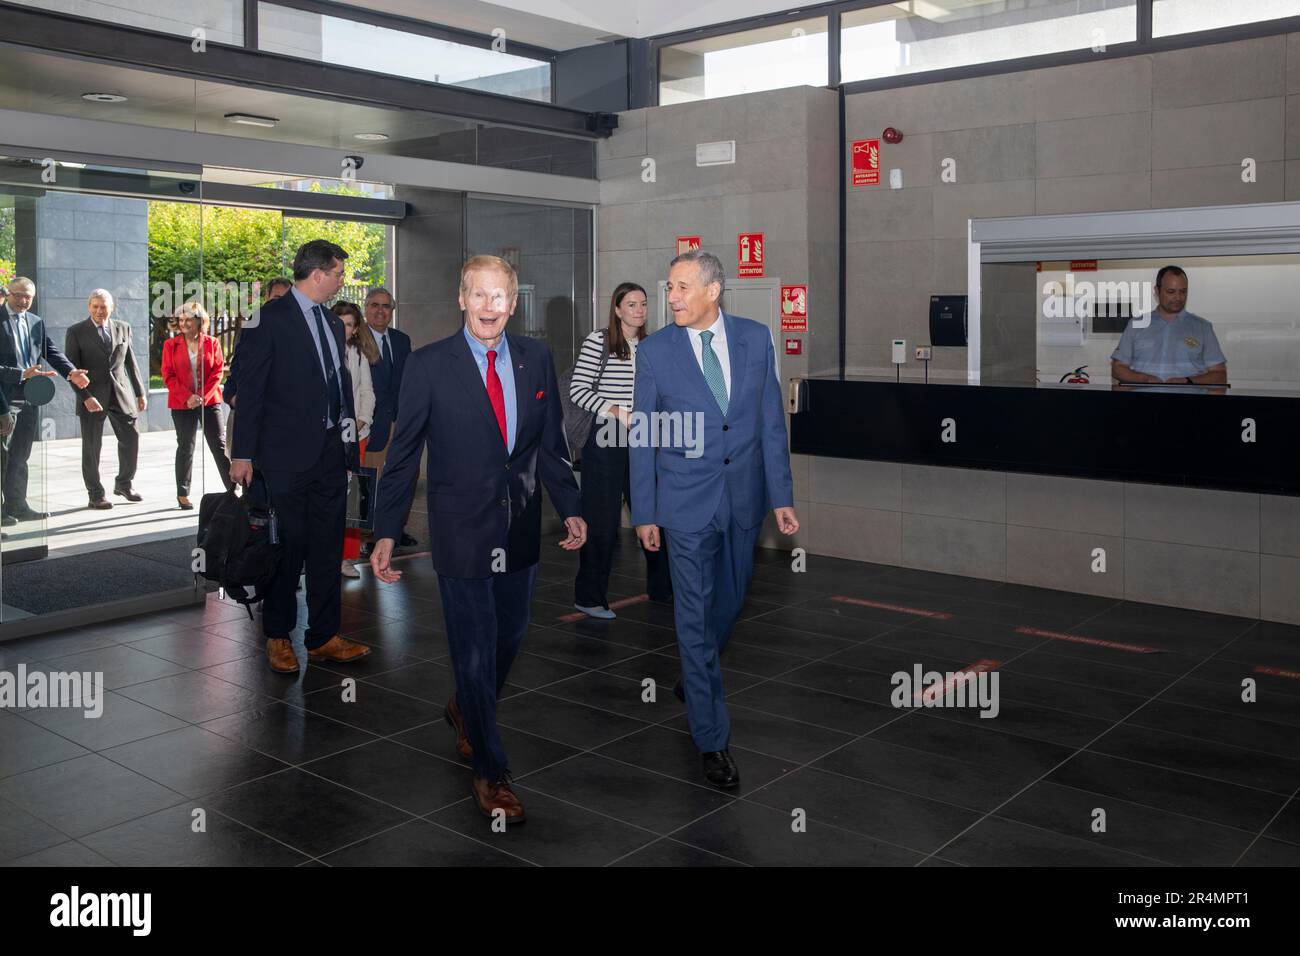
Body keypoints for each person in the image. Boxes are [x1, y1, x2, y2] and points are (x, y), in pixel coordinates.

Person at [370, 254, 586, 824]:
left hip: (519, 526)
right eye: (479, 296)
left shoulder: (536, 358)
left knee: (510, 635)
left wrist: (571, 507)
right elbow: (403, 456)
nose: (490, 307)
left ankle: (468, 704)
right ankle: (491, 773)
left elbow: (550, 443)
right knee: (473, 642)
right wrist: (386, 531)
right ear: (461, 299)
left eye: (500, 298)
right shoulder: (428, 365)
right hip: (460, 529)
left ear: (514, 305)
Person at [630, 250, 799, 791]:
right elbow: (641, 436)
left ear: (712, 291)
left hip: (745, 500)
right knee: (695, 616)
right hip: (684, 505)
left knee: (728, 605)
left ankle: (693, 671)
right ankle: (712, 738)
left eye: (681, 287)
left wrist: (781, 496)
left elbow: (771, 421)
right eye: (670, 288)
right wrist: (645, 510)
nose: (671, 297)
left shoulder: (755, 339)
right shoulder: (655, 351)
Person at [229, 240, 369, 674]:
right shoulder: (265, 319)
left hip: (329, 453)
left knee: (327, 548)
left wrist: (346, 441)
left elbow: (339, 381)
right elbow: (249, 390)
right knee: (285, 550)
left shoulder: (330, 321)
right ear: (318, 274)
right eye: (339, 272)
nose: (343, 280)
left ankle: (323, 635)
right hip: (284, 458)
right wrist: (243, 453)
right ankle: (278, 636)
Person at [570, 282, 672, 618]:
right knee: (602, 521)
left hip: (643, 437)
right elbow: (578, 391)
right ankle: (589, 596)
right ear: (617, 309)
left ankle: (663, 589)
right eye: (631, 304)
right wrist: (619, 413)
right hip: (607, 436)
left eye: (643, 304)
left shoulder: (652, 345)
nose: (640, 310)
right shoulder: (598, 341)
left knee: (653, 512)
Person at [0, 277, 90, 525]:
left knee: (21, 455)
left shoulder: (35, 322)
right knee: (2, 456)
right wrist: (20, 373)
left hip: (30, 397)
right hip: (4, 399)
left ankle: (17, 505)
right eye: (18, 295)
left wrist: (71, 373)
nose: (23, 300)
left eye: (28, 296)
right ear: (8, 293)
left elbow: (51, 352)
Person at [64, 289, 147, 509]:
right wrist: (85, 397)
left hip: (121, 393)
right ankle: (95, 494)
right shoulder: (76, 332)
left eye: (103, 306)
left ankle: (124, 483)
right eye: (95, 306)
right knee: (92, 446)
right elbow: (72, 371)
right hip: (92, 396)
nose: (100, 311)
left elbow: (131, 362)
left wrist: (140, 392)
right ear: (89, 307)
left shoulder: (123, 327)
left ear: (112, 307)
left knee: (131, 438)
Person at [359, 287, 416, 557]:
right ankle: (369, 533)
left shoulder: (402, 340)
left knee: (403, 476)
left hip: (402, 421)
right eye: (374, 305)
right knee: (371, 478)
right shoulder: (356, 340)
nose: (380, 310)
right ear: (365, 308)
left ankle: (395, 529)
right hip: (372, 423)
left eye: (385, 306)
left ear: (392, 311)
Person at [162, 302, 233, 509]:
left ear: (199, 321)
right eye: (181, 320)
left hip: (209, 401)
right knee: (186, 446)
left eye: (188, 319)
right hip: (181, 403)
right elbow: (168, 375)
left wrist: (201, 396)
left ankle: (232, 488)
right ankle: (182, 493)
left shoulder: (212, 343)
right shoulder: (170, 345)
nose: (184, 323)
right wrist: (188, 397)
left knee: (219, 445)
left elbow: (217, 372)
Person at [1111, 265, 1228, 385]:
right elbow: (1118, 368)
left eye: (1183, 291)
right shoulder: (1136, 324)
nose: (1178, 297)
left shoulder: (1203, 327)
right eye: (1171, 291)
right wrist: (1145, 379)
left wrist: (1187, 382)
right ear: (1157, 291)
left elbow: (1219, 374)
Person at [333, 300, 376, 579]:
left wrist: (357, 424)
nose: (345, 329)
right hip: (325, 438)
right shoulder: (321, 352)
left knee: (351, 500)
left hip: (355, 437)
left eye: (350, 324)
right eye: (340, 323)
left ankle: (346, 558)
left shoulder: (358, 354)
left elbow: (367, 395)